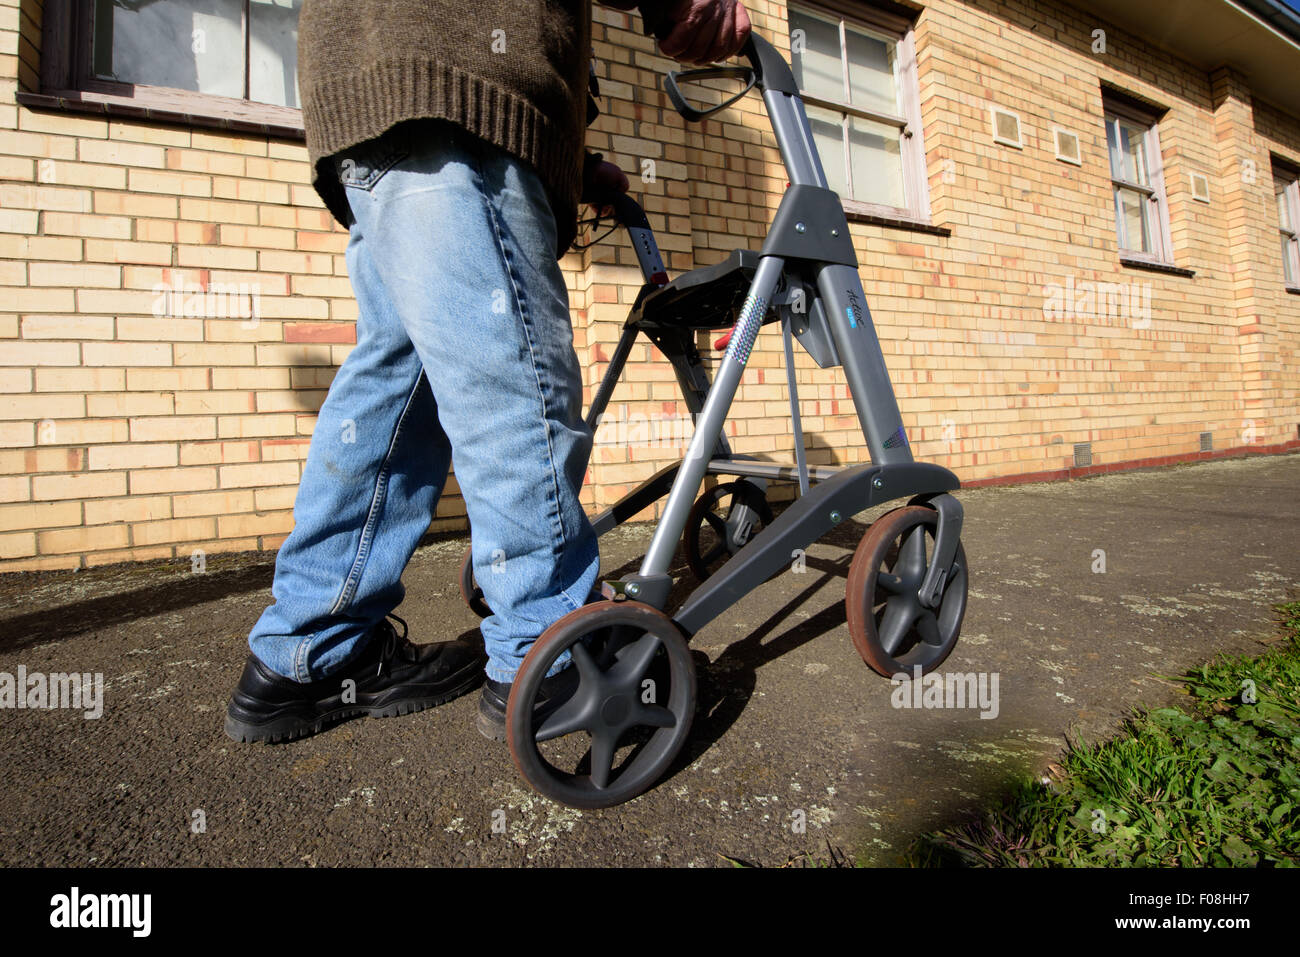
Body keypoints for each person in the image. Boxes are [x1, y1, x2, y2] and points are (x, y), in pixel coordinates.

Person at [225, 0, 752, 744]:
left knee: (397, 388)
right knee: (514, 381)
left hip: (379, 88)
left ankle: (312, 651)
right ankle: (555, 653)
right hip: (461, 83)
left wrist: (564, 151)